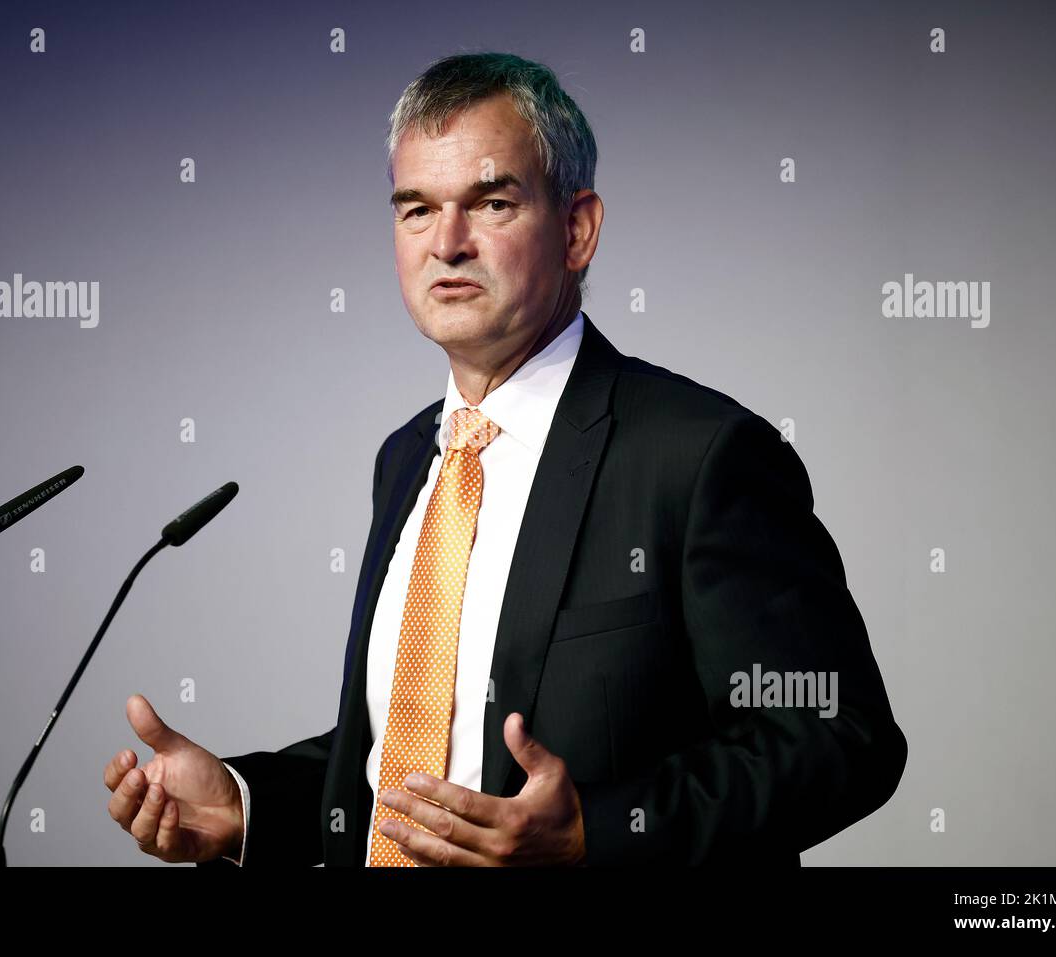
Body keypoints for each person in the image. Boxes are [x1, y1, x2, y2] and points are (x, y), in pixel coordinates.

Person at [103, 51, 907, 867]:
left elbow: (841, 738)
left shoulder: (699, 455)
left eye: (490, 202)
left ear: (578, 228)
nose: (446, 243)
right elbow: (418, 756)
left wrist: (597, 830)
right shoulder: (408, 457)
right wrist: (245, 802)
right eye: (416, 210)